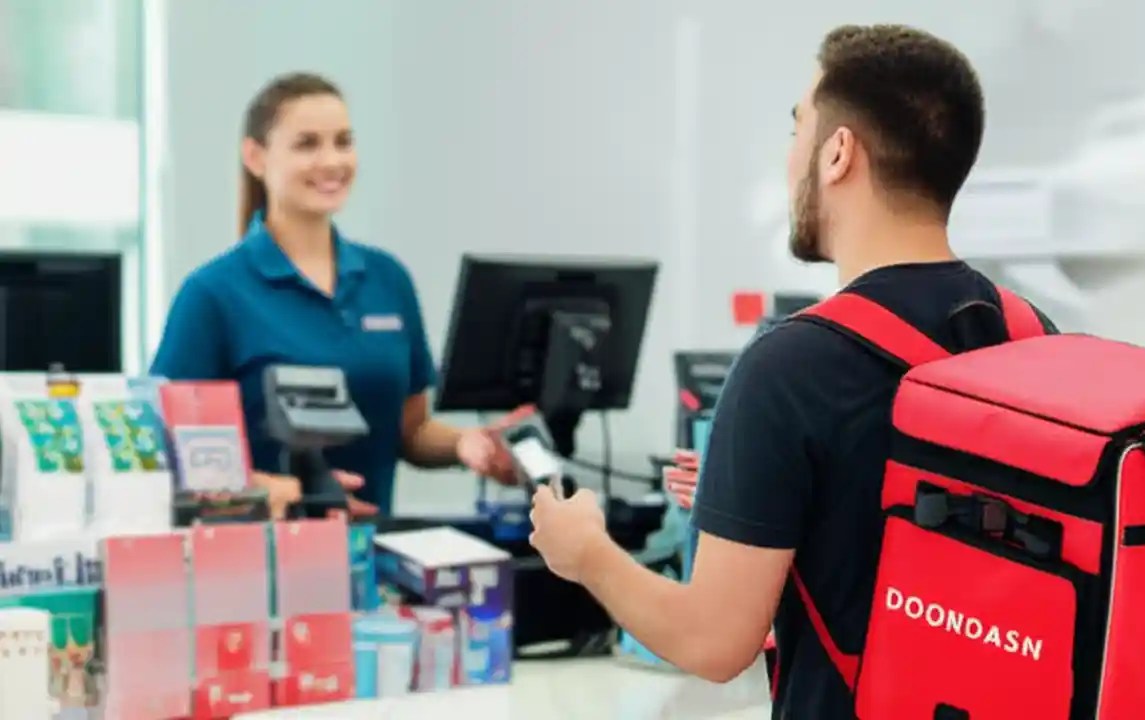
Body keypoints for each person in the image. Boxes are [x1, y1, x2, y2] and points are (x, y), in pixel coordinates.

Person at [528, 24, 1057, 718]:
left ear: (838, 153)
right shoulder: (1031, 331)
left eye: (796, 127)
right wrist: (752, 511)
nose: (789, 159)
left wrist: (585, 553)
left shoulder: (789, 366)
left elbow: (714, 643)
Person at [151, 72, 515, 519]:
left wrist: (465, 444)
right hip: (258, 567)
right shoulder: (213, 294)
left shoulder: (388, 279)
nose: (332, 160)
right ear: (255, 156)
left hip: (375, 563)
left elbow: (410, 431)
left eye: (343, 141)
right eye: (307, 144)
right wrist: (292, 492)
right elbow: (171, 457)